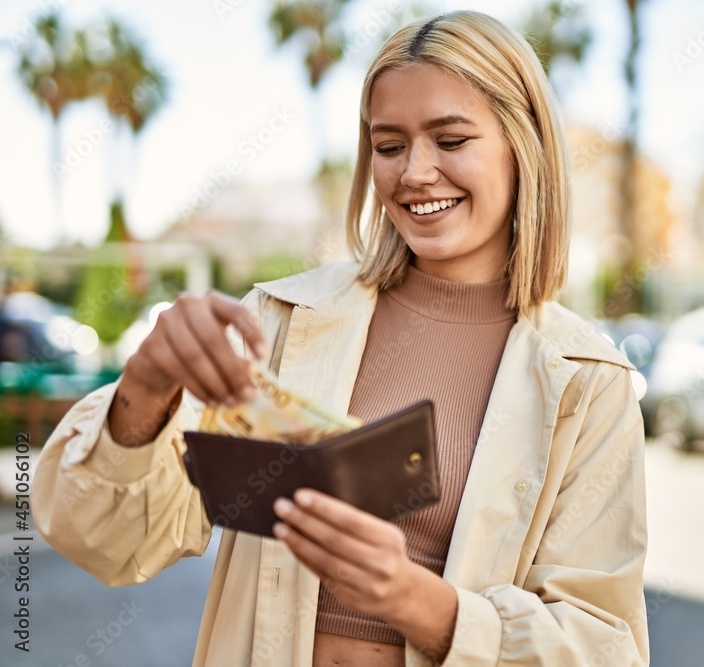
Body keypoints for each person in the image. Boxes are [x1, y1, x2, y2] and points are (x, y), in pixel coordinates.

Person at [32, 10, 649, 667]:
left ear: (520, 145)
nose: (414, 171)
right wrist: (145, 390)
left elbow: (603, 646)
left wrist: (419, 601)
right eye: (389, 145)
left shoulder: (587, 381)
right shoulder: (278, 321)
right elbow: (105, 538)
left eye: (450, 139)